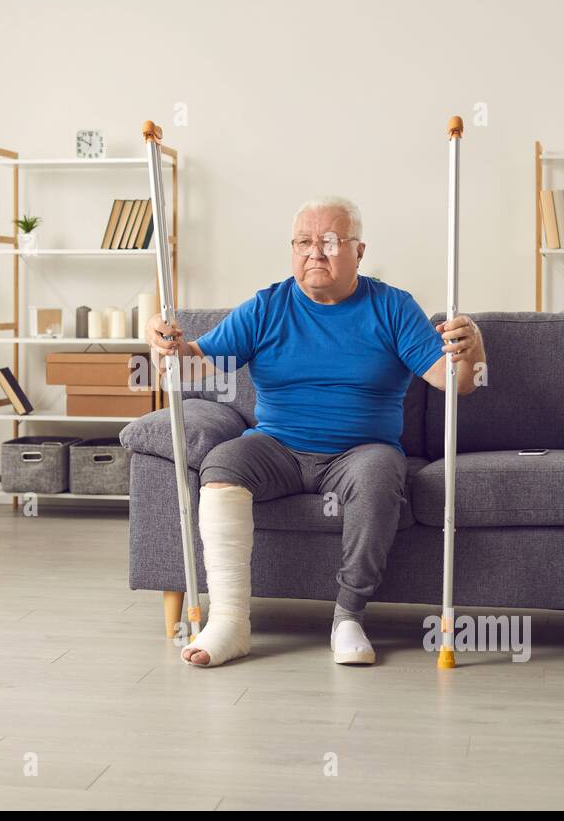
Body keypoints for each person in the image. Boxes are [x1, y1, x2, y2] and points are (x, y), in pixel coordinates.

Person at [146, 196, 486, 667]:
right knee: (222, 464)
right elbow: (191, 367)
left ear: (359, 251)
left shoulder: (392, 307)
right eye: (303, 242)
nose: (315, 253)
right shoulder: (267, 307)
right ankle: (229, 622)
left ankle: (347, 618)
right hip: (278, 447)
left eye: (329, 242)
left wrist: (472, 351)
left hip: (361, 452)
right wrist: (164, 345)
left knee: (379, 475)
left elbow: (454, 382)